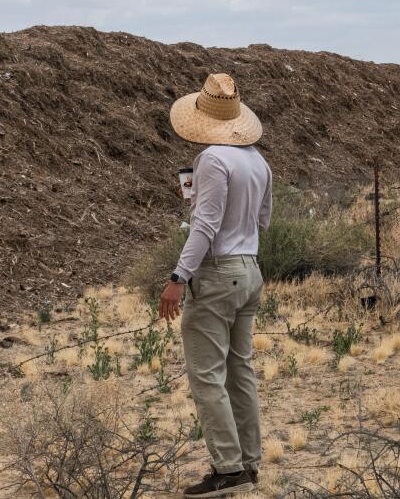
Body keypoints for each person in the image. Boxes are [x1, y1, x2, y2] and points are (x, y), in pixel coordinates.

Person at [158, 73, 273, 498]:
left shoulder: (212, 160)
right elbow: (262, 220)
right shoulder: (258, 161)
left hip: (218, 273)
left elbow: (204, 226)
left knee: (206, 375)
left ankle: (227, 468)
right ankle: (250, 462)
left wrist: (177, 277)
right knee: (240, 370)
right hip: (250, 270)